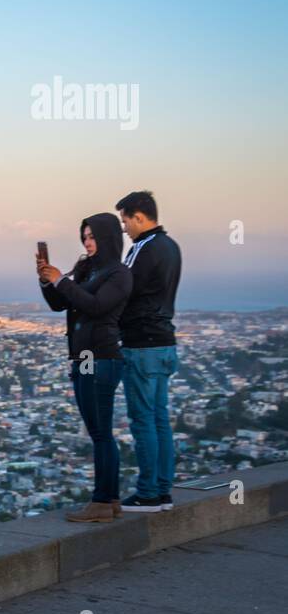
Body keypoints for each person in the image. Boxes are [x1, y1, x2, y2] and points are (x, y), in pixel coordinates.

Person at [37, 213, 133, 522]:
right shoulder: (87, 269)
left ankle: (102, 501)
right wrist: (46, 281)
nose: (88, 242)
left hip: (101, 357)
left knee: (100, 432)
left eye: (92, 236)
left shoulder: (119, 273)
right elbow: (60, 303)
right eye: (85, 237)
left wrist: (60, 280)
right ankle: (111, 500)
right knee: (100, 433)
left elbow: (95, 306)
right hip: (83, 357)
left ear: (107, 238)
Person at [115, 190, 182, 512]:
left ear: (139, 217)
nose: (124, 228)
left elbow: (124, 292)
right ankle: (163, 489)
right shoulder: (171, 247)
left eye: (125, 220)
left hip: (142, 345)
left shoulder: (144, 249)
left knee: (143, 421)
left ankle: (148, 493)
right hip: (164, 342)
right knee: (159, 419)